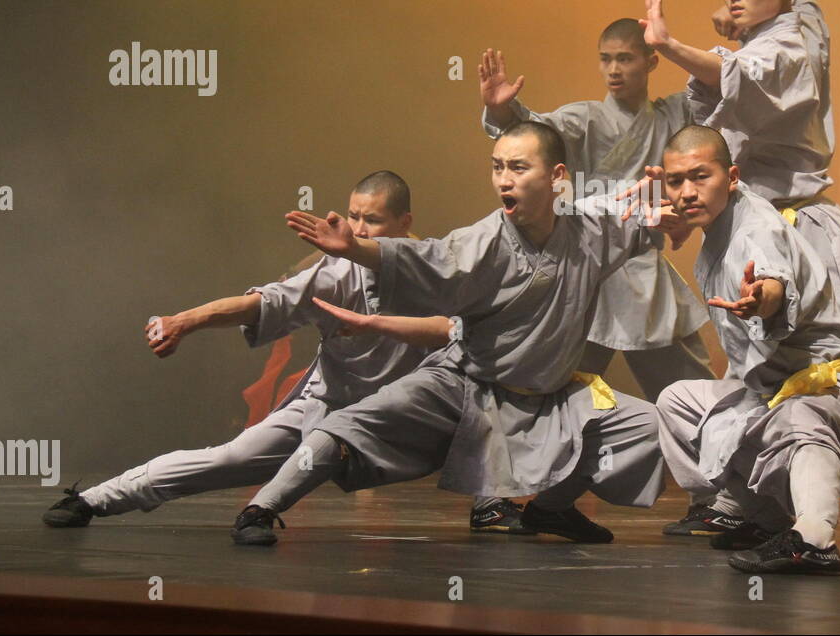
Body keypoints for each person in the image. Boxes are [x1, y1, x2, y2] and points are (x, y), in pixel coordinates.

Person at [225, 122, 686, 546]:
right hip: (465, 384)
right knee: (350, 426)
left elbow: (641, 221)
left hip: (553, 396)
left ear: (557, 176)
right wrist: (357, 248)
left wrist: (670, 212)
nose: (504, 179)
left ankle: (549, 510)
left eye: (518, 168)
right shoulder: (483, 243)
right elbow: (424, 260)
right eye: (497, 167)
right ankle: (260, 509)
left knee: (646, 425)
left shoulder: (591, 231)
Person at [40, 172, 522, 530]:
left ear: (406, 222)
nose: (357, 229)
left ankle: (491, 502)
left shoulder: (442, 269)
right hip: (329, 408)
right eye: (353, 216)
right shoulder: (335, 274)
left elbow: (466, 331)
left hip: (411, 418)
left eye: (371, 220)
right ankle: (94, 501)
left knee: (491, 391)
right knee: (227, 459)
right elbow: (261, 304)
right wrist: (183, 321)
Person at [641, 0, 840, 551]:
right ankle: (746, 502)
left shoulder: (792, 41)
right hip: (751, 220)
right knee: (755, 371)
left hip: (803, 226)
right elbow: (722, 98)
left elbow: (748, 74)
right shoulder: (787, 26)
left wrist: (670, 45)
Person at [646, 126, 840, 574]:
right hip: (768, 392)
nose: (686, 191)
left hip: (826, 393)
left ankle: (814, 540)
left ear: (733, 175)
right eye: (676, 181)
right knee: (677, 402)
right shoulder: (722, 220)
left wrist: (762, 299)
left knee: (796, 416)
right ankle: (765, 519)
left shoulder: (754, 231)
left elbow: (771, 279)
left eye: (700, 177)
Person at [477, 21, 713, 402]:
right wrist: (503, 111)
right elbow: (537, 133)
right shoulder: (584, 118)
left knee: (691, 389)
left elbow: (717, 90)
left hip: (641, 266)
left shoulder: (672, 114)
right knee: (555, 385)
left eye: (625, 58)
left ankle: (713, 450)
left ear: (651, 63)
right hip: (585, 267)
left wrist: (668, 43)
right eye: (605, 59)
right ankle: (548, 454)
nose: (614, 70)